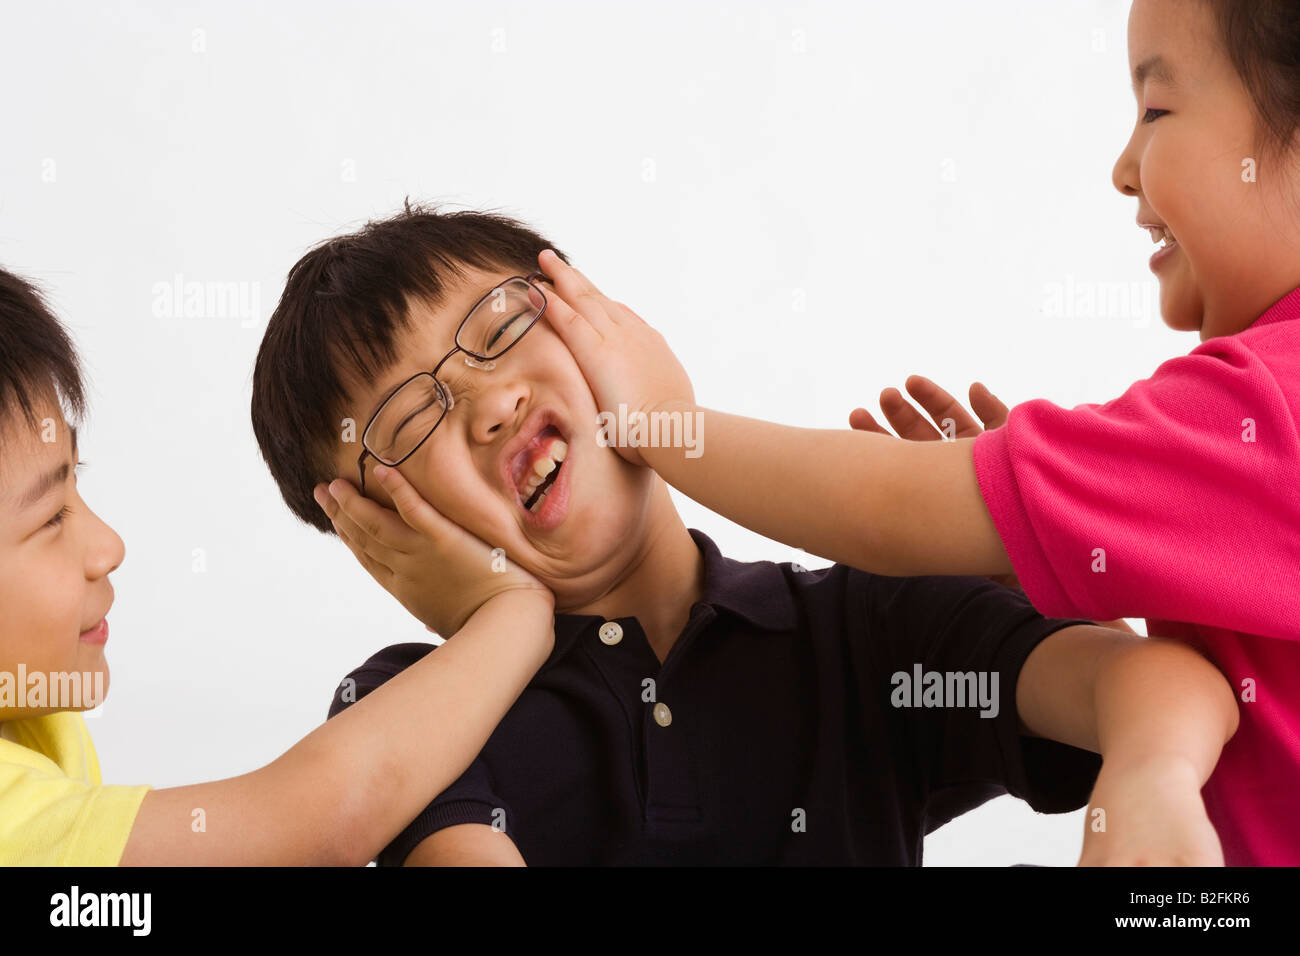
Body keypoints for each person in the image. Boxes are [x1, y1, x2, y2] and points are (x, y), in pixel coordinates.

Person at [534, 0, 1299, 865]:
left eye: (1155, 110)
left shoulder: (1263, 406)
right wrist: (1036, 552)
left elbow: (887, 503)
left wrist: (665, 425)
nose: (1124, 169)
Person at [249, 205, 1236, 865]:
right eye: (409, 420)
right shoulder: (407, 709)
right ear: (373, 526)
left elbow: (1154, 683)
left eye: (499, 327)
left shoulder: (868, 624)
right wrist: (503, 618)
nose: (488, 403)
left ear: (608, 326)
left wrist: (1143, 772)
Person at [0, 267, 554, 865]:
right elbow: (317, 821)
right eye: (51, 517)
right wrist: (515, 613)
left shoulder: (35, 718)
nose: (109, 547)